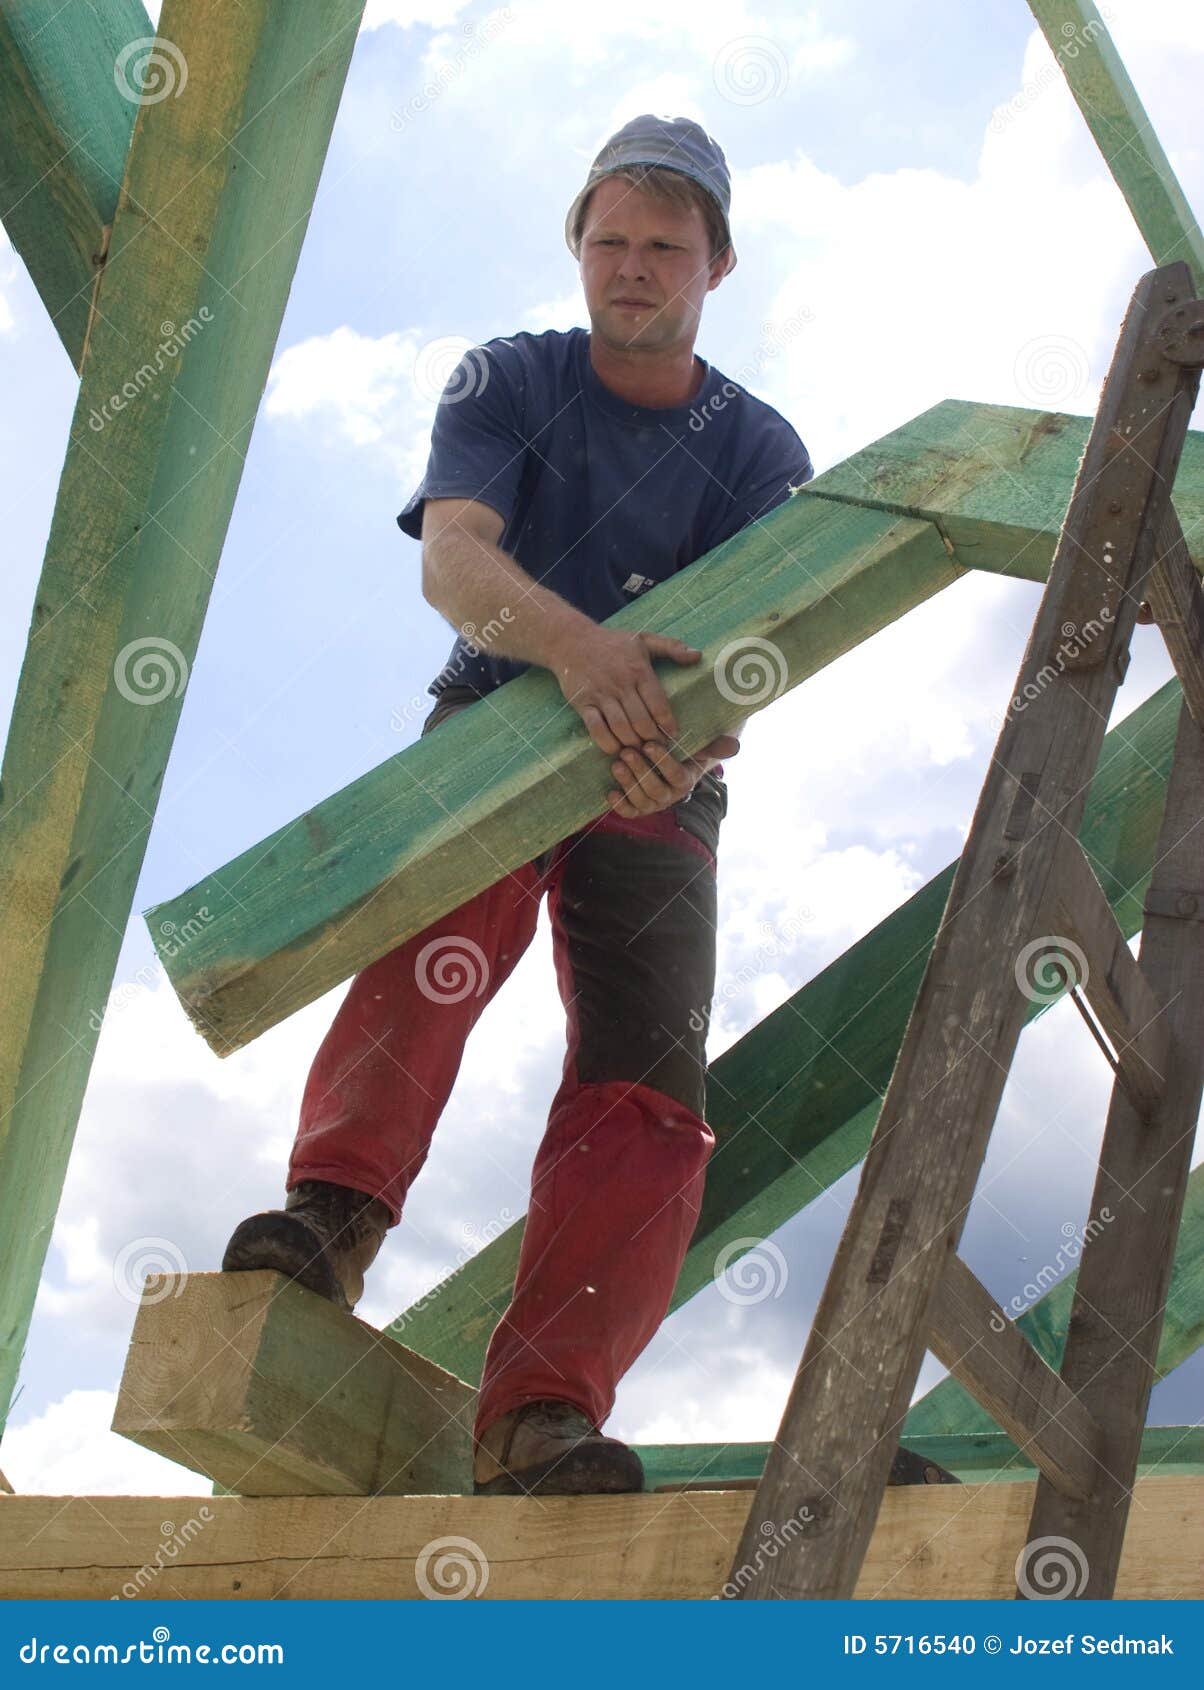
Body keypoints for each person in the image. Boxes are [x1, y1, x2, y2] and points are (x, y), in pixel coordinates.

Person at [222, 115, 957, 1497]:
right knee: (425, 955)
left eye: (664, 247)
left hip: (658, 777)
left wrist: (688, 737)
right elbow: (453, 555)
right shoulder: (509, 379)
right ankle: (330, 1222)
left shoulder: (756, 447)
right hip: (503, 716)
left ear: (716, 265)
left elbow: (762, 646)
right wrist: (580, 652)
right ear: (579, 246)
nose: (632, 267)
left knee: (643, 1085)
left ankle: (543, 1414)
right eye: (609, 239)